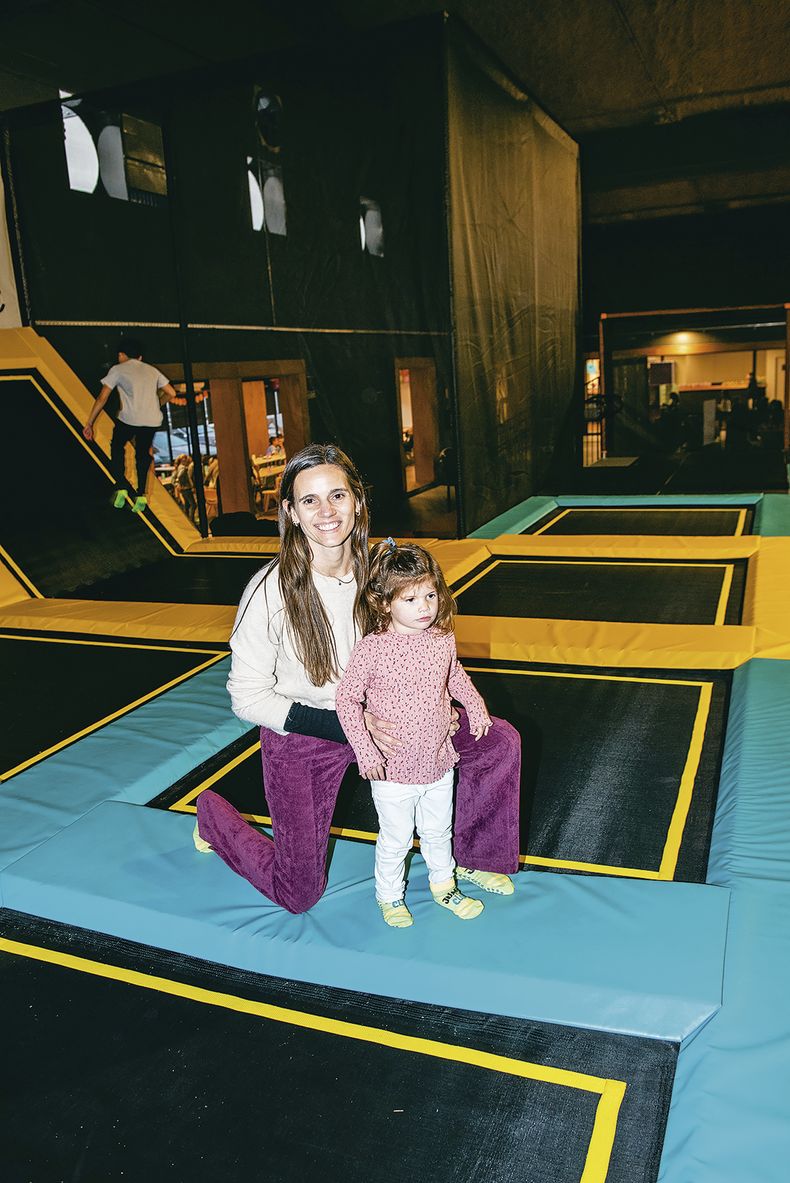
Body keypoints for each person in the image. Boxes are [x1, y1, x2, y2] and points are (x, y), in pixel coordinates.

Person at [194, 443, 521, 916]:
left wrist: (440, 703)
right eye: (310, 501)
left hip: (396, 724)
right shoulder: (270, 591)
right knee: (298, 895)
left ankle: (465, 858)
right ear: (290, 511)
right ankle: (212, 818)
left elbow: (424, 645)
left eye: (337, 496)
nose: (326, 512)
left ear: (357, 502)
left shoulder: (381, 573)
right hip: (307, 732)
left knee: (497, 742)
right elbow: (246, 698)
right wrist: (350, 726)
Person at [336, 540, 503, 929]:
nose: (425, 607)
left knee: (437, 830)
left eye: (430, 595)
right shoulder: (372, 649)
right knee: (395, 839)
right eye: (410, 600)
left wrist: (476, 705)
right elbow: (346, 700)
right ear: (384, 603)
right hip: (394, 768)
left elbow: (454, 674)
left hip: (438, 760)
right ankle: (389, 896)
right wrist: (366, 750)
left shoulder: (441, 639)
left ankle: (444, 885)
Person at [83, 337, 177, 513]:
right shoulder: (152, 370)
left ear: (121, 355)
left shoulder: (118, 369)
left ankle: (121, 486)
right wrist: (157, 404)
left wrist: (90, 422)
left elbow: (102, 398)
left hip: (129, 419)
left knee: (117, 447)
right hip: (151, 421)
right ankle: (141, 494)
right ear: (140, 357)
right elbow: (171, 393)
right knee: (142, 454)